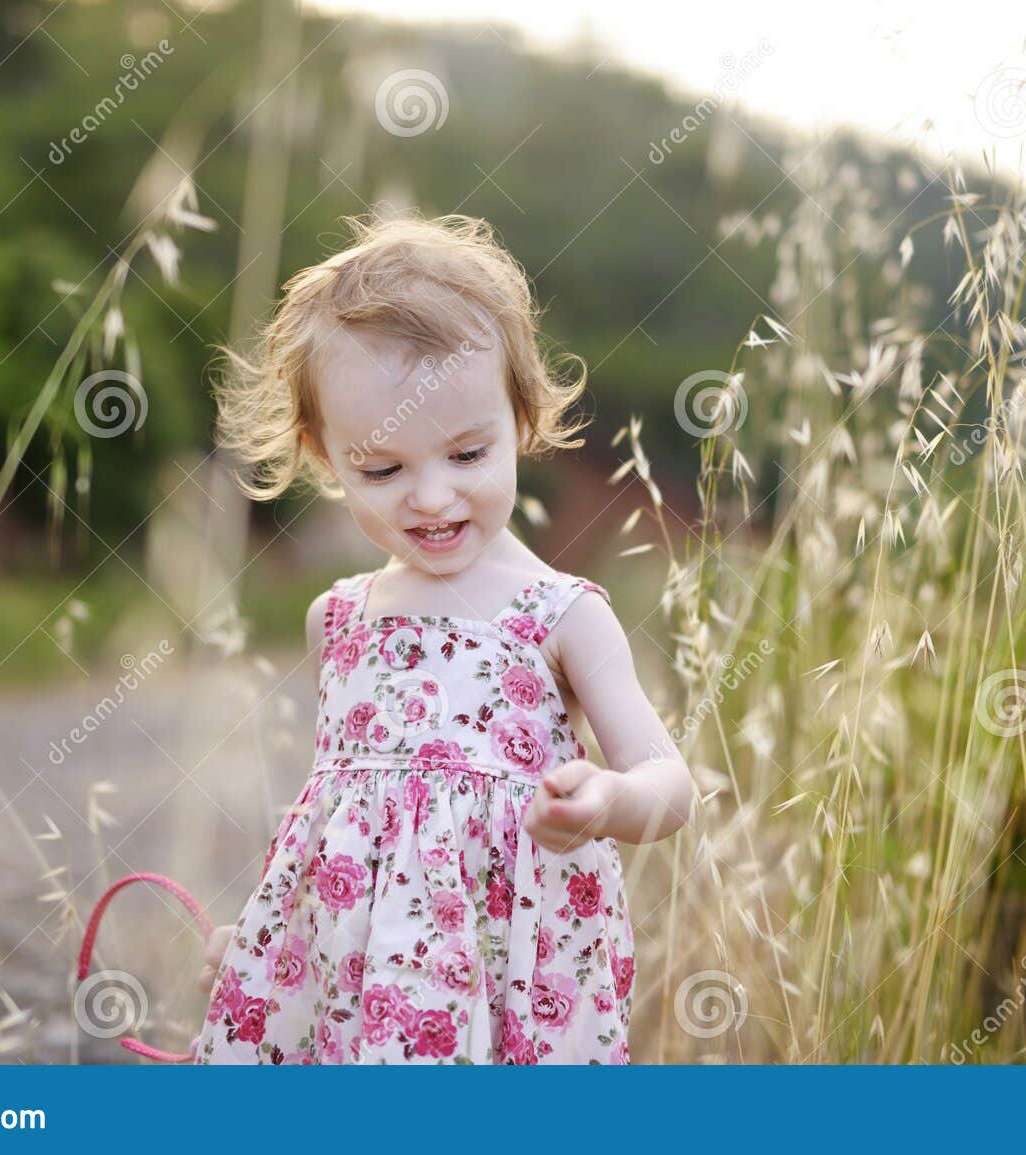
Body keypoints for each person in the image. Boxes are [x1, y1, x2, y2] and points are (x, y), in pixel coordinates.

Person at [191, 212, 692, 1064]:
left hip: (512, 981)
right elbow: (336, 825)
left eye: (466, 454)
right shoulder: (337, 619)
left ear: (521, 418)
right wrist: (271, 932)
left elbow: (669, 781)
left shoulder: (561, 613)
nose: (430, 497)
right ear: (325, 453)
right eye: (381, 469)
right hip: (360, 991)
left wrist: (608, 801)